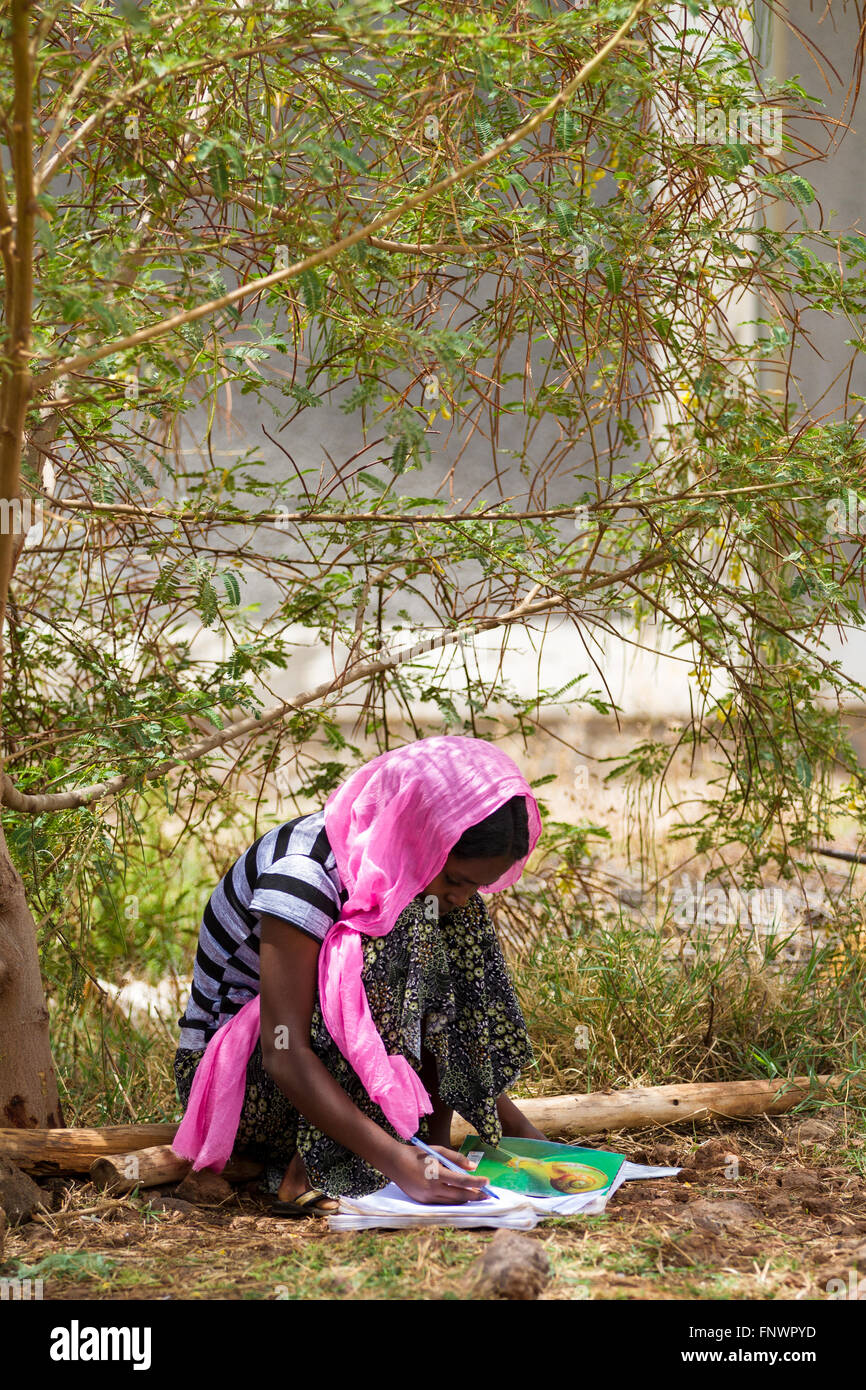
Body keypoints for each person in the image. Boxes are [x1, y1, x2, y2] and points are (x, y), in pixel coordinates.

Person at [172, 735, 548, 1216]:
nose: (461, 893)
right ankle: (309, 1170)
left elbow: (443, 1009)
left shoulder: (402, 874)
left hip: (322, 1072)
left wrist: (519, 1134)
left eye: (477, 882)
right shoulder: (303, 876)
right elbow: (283, 1051)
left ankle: (431, 1144)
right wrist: (396, 1161)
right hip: (241, 1086)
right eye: (456, 878)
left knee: (451, 917)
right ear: (418, 834)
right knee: (405, 926)